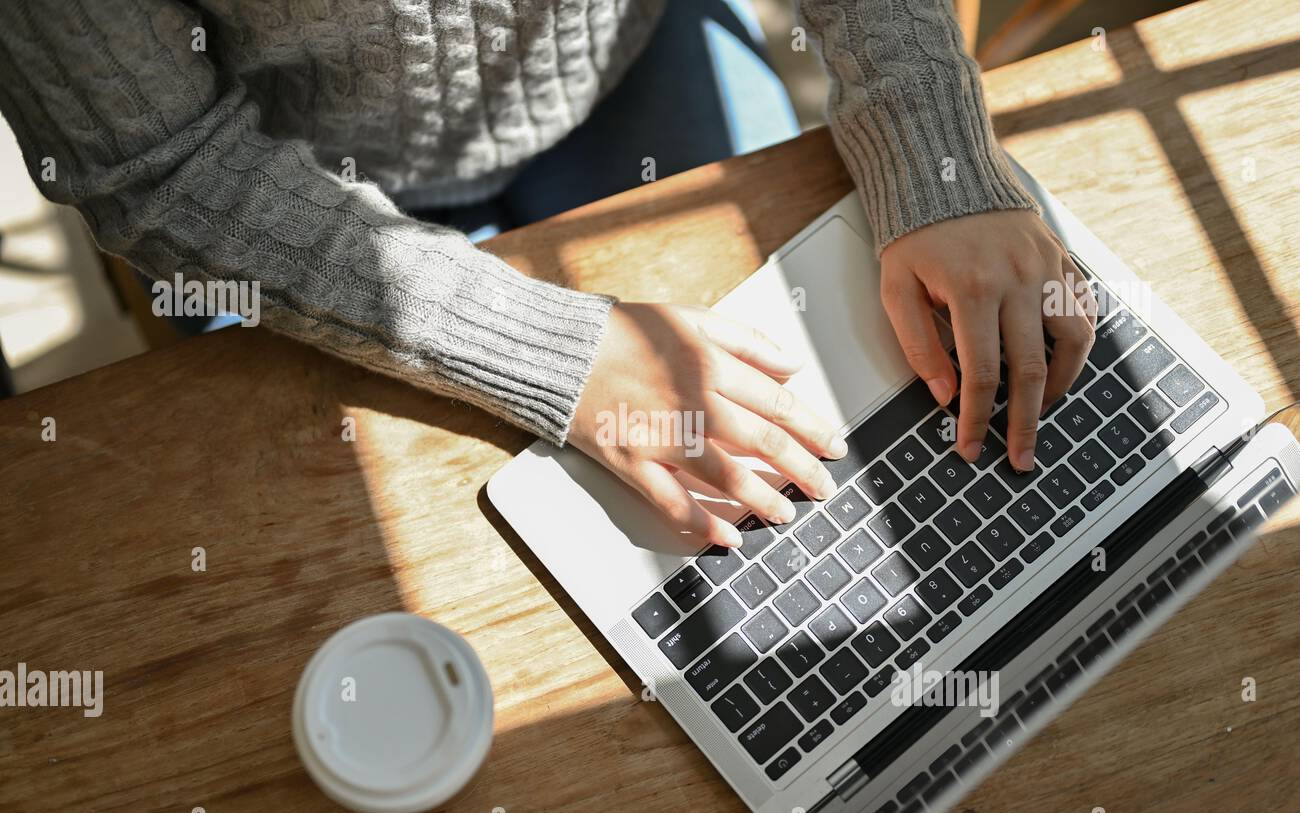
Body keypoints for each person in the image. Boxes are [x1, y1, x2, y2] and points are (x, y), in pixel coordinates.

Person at [0, 0, 1096, 549]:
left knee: (825, 463)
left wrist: (929, 136)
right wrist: (551, 356)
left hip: (630, 68)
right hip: (283, 191)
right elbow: (162, 174)